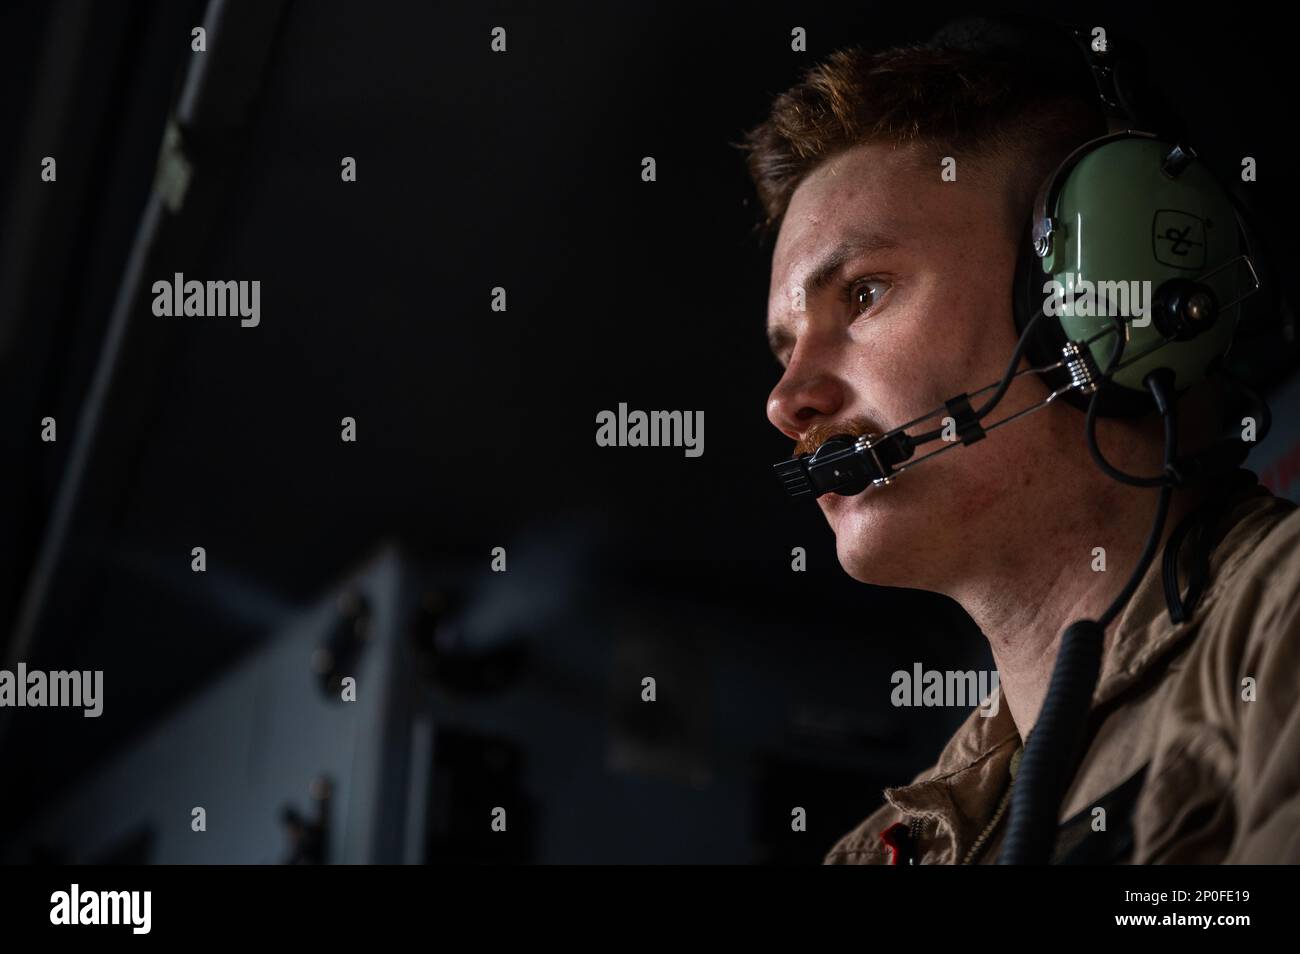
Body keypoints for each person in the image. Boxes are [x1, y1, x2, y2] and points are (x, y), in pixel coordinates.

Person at [743, 24, 1300, 863]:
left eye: (862, 294)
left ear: (1099, 304)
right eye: (787, 348)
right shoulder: (878, 853)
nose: (788, 402)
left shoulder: (1278, 634)